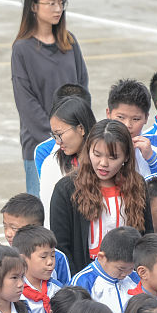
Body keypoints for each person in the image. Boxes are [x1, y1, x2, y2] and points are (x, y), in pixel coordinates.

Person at [12, 0, 89, 196]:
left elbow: (82, 87)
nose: (58, 9)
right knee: (43, 209)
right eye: (51, 3)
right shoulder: (22, 49)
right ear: (34, 7)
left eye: (61, 3)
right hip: (40, 143)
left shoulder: (69, 41)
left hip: (76, 143)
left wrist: (76, 134)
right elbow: (25, 101)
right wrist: (57, 136)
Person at [51, 119, 148, 273]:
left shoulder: (138, 185)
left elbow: (146, 237)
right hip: (84, 277)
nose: (103, 163)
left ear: (126, 157)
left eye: (113, 157)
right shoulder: (66, 189)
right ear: (88, 150)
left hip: (129, 276)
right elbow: (61, 248)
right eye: (97, 154)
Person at [40, 94, 97, 227]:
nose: (57, 141)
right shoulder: (52, 165)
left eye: (60, 134)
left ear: (81, 128)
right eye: (54, 135)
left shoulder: (105, 161)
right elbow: (49, 219)